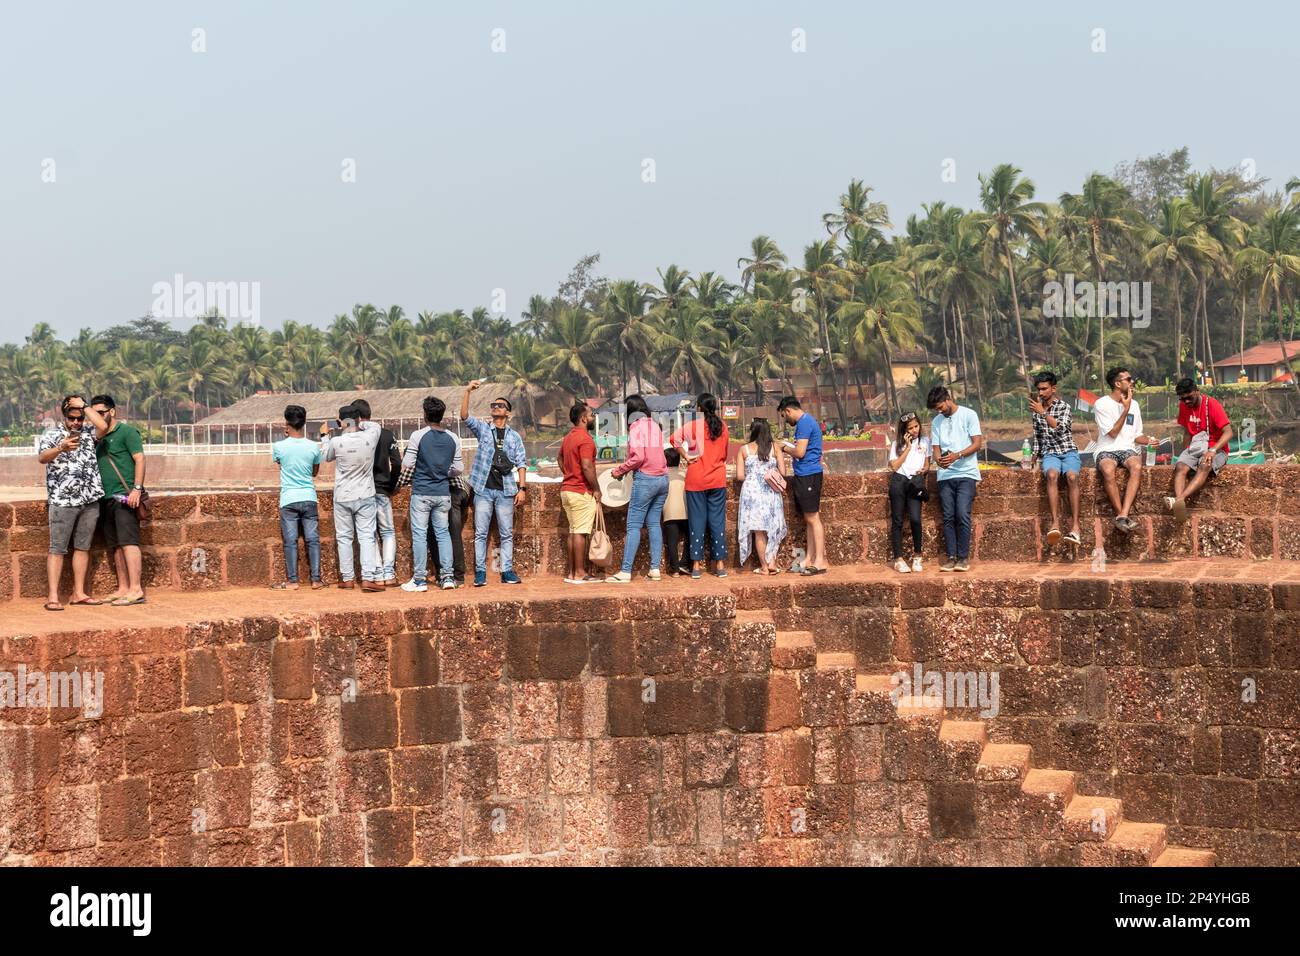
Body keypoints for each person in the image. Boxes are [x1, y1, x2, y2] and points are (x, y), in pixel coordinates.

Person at [37, 395, 109, 610]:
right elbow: (42, 458)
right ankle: (53, 597)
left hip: (89, 499)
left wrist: (84, 406)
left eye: (79, 418)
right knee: (57, 549)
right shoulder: (52, 435)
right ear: (64, 416)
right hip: (62, 500)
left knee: (82, 547)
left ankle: (79, 593)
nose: (76, 422)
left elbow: (103, 425)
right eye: (72, 418)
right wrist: (61, 448)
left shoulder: (88, 434)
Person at [460, 381, 527, 586]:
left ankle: (507, 571)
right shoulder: (483, 429)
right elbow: (464, 417)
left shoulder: (514, 437)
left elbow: (522, 463)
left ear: (508, 413)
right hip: (483, 489)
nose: (496, 407)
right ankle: (480, 572)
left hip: (506, 490)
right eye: (493, 405)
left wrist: (522, 488)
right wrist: (467, 392)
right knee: (481, 533)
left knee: (506, 533)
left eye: (500, 406)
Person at [400, 403, 469, 587]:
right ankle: (447, 577)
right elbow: (459, 469)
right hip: (443, 493)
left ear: (425, 414)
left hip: (422, 491)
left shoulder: (418, 435)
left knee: (420, 535)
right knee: (443, 534)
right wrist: (443, 472)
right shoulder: (452, 437)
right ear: (442, 415)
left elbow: (407, 462)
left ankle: (420, 579)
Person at [90, 395, 147, 605]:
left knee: (129, 542)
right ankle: (123, 587)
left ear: (112, 412)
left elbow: (139, 459)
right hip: (105, 498)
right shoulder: (97, 437)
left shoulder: (127, 432)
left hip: (124, 496)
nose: (98, 417)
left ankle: (135, 588)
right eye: (94, 414)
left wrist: (136, 489)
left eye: (101, 412)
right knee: (115, 545)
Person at [320, 404, 384, 592]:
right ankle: (368, 577)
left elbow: (326, 456)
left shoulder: (336, 442)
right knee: (366, 537)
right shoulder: (370, 437)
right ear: (358, 420)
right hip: (365, 493)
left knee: (344, 538)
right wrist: (356, 424)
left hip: (342, 495)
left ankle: (347, 578)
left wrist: (325, 436)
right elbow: (375, 426)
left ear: (340, 422)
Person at [607, 394, 668, 583]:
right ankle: (655, 568)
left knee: (633, 525)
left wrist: (619, 470)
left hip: (646, 480)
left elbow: (638, 457)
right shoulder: (655, 425)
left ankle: (625, 571)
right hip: (663, 479)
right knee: (653, 524)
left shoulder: (636, 427)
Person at [670, 393, 730, 579]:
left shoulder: (692, 426)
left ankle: (696, 566)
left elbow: (674, 440)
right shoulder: (723, 426)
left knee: (696, 522)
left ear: (699, 408)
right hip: (717, 479)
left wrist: (686, 456)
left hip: (696, 479)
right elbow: (725, 454)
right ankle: (719, 564)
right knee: (717, 522)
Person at [1093, 367, 1154, 534]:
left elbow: (1136, 435)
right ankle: (1122, 516)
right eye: (1128, 379)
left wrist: (1149, 441)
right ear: (1117, 383)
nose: (1132, 381)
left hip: (1127, 448)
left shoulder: (1134, 404)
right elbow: (1112, 433)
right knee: (1107, 469)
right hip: (1107, 448)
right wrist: (1125, 410)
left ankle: (1123, 515)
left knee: (1136, 466)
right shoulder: (1101, 404)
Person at [927, 386, 982, 572]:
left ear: (948, 398)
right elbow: (935, 447)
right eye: (936, 408)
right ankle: (951, 557)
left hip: (966, 472)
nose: (939, 410)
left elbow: (977, 444)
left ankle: (963, 557)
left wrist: (957, 456)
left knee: (962, 514)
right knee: (948, 516)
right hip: (945, 475)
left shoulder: (969, 415)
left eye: (940, 406)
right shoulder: (936, 421)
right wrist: (938, 460)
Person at [270, 404, 324, 590]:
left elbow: (281, 463)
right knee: (313, 539)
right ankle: (316, 579)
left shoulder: (278, 446)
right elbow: (314, 472)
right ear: (304, 422)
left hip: (289, 498)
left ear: (286, 423)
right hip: (309, 496)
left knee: (290, 542)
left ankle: (293, 581)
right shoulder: (313, 447)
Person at [1167, 378, 1233, 522]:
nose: (1186, 402)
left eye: (1189, 397)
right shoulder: (1184, 406)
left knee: (1204, 465)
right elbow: (1186, 431)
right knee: (1180, 467)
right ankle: (1180, 507)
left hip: (1217, 448)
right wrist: (1185, 452)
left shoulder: (1212, 405)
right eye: (1182, 399)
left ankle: (1179, 500)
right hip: (1196, 446)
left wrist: (1213, 450)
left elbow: (1228, 432)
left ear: (1197, 391)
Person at [352, 399, 402, 588]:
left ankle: (378, 573)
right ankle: (389, 573)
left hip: (363, 490)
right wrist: (392, 483)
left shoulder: (354, 436)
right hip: (382, 489)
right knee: (388, 531)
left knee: (369, 534)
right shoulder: (387, 434)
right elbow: (397, 463)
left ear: (355, 417)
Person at [1030, 371, 1082, 547]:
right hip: (1050, 452)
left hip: (1068, 451)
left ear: (1053, 388)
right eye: (1039, 389)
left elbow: (1061, 429)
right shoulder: (1036, 410)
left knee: (1072, 477)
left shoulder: (1064, 407)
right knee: (1052, 475)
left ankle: (1075, 526)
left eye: (1044, 389)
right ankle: (1055, 523)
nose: (1041, 393)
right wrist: (1034, 455)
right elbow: (1037, 435)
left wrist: (1043, 413)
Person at [776, 396, 827, 575]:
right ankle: (808, 559)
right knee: (808, 519)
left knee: (813, 518)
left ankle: (820, 561)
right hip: (805, 474)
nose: (785, 419)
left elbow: (799, 452)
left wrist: (783, 448)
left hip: (809, 474)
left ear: (788, 410)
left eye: (784, 416)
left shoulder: (804, 423)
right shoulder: (806, 422)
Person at [736, 418, 788, 575]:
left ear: (753, 430)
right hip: (771, 491)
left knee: (759, 531)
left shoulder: (744, 449)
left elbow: (739, 476)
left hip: (752, 493)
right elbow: (783, 473)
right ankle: (772, 562)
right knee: (773, 528)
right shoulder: (775, 448)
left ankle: (764, 567)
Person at [559, 401, 602, 584]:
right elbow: (587, 466)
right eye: (591, 415)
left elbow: (560, 458)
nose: (593, 418)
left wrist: (569, 474)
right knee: (581, 533)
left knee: (573, 531)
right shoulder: (585, 439)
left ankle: (571, 573)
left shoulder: (568, 437)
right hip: (580, 491)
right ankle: (579, 572)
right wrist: (596, 488)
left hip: (567, 490)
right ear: (583, 418)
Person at [886, 411, 929, 574]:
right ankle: (898, 558)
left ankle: (917, 555)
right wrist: (908, 448)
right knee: (897, 520)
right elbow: (894, 466)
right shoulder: (896, 444)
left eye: (916, 426)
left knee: (915, 519)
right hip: (899, 481)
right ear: (904, 429)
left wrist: (925, 469)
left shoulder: (925, 441)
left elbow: (926, 464)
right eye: (910, 428)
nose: (914, 430)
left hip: (915, 482)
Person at [661, 447, 690, 576]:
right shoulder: (685, 473)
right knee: (690, 537)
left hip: (669, 513)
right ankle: (685, 562)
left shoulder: (663, 474)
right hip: (686, 511)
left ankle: (675, 569)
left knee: (672, 541)